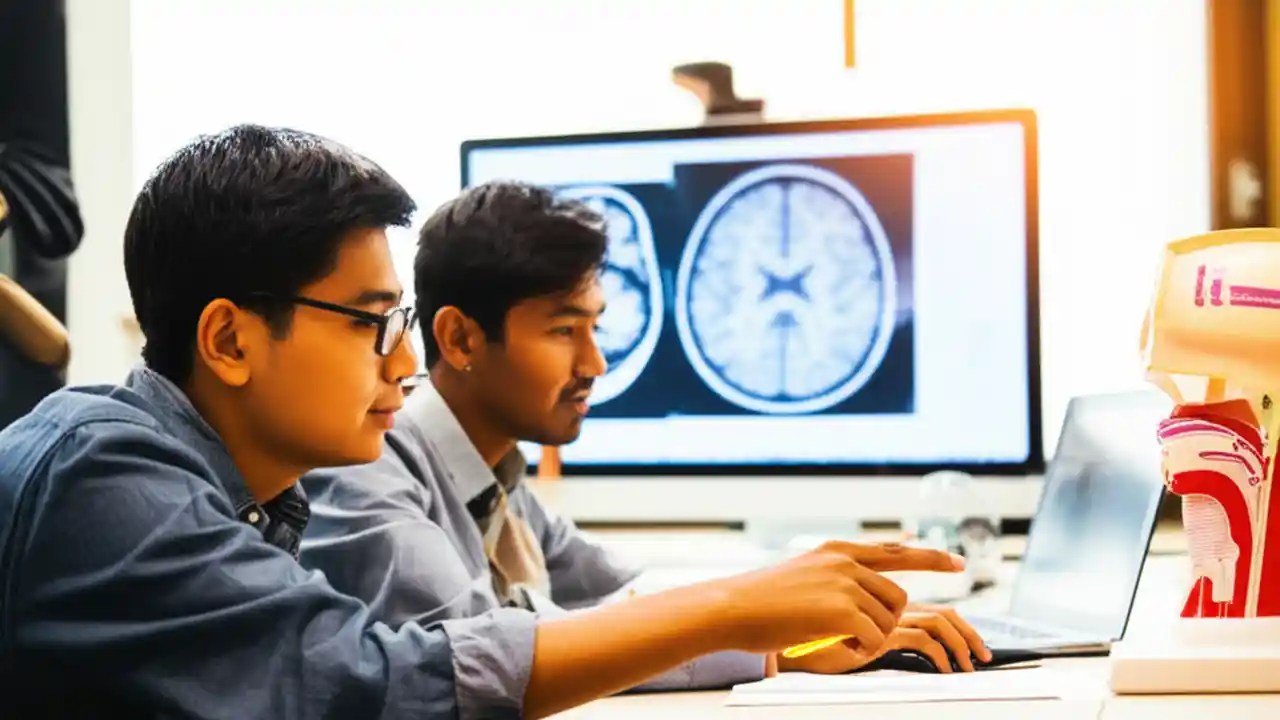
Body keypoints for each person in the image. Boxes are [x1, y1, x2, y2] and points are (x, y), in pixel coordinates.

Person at [0, 126, 965, 718]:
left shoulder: (241, 495)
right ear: (228, 339)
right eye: (372, 325)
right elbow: (372, 684)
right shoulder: (105, 478)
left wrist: (776, 625)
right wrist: (737, 611)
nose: (404, 363)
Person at [299, 181, 992, 697]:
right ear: (459, 338)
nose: (596, 363)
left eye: (596, 328)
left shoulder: (492, 477)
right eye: (564, 330)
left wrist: (800, 608)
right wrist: (766, 644)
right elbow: (482, 653)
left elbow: (618, 587)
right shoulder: (368, 464)